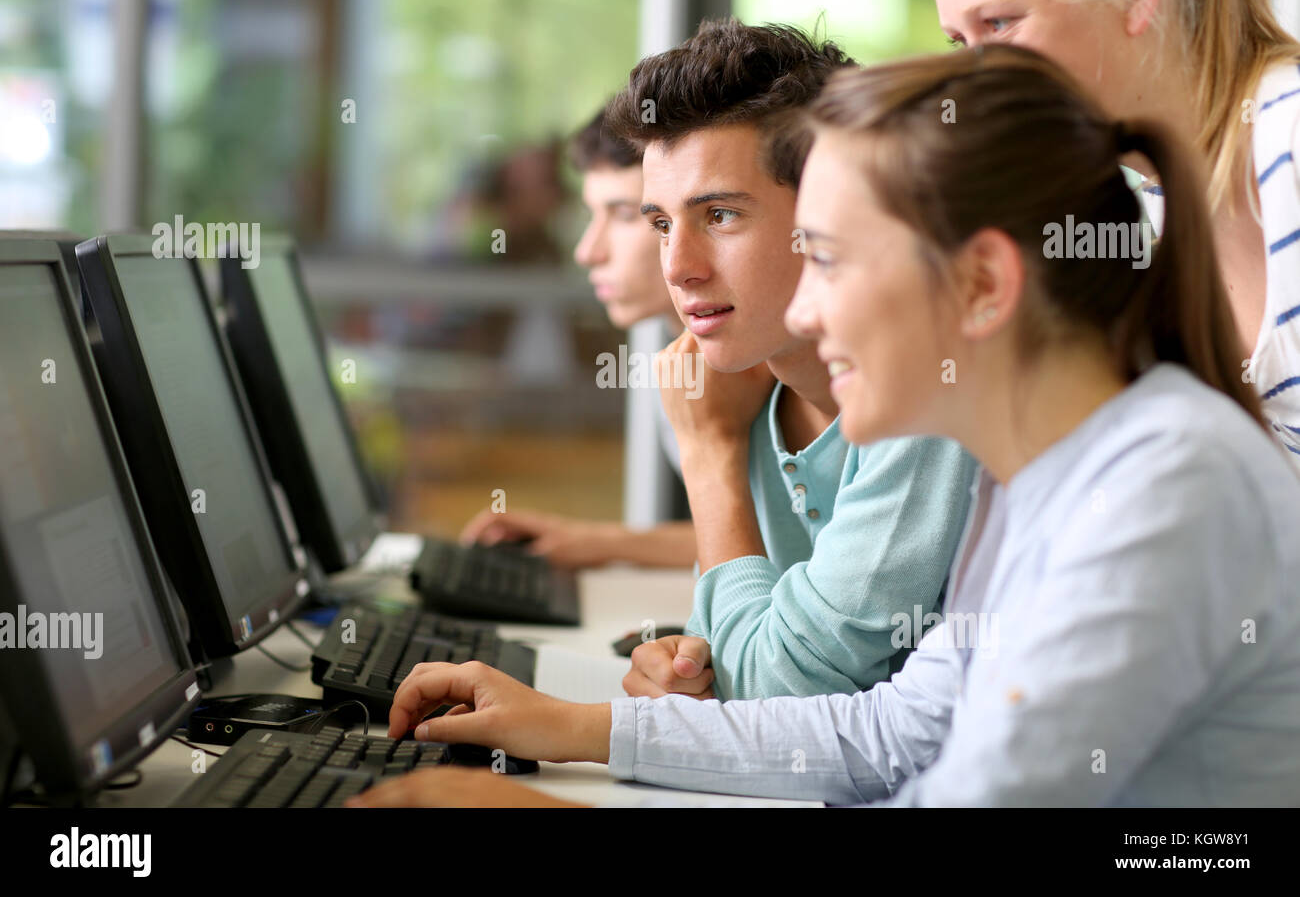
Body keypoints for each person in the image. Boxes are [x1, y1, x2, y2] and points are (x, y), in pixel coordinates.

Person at [349, 46, 1300, 808]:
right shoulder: (1039, 476)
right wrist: (572, 729)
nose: (805, 313)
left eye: (834, 262)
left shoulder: (1163, 489)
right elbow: (895, 737)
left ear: (982, 285)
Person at [605, 18, 976, 701]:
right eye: (660, 224)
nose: (678, 268)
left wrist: (709, 455)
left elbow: (780, 688)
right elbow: (728, 659)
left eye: (720, 215)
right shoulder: (738, 393)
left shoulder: (926, 391)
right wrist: (685, 663)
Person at [927, 0, 1300, 470]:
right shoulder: (1160, 203)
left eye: (999, 24)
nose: (974, 81)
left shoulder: (1289, 142)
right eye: (959, 42)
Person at [458, 103, 698, 569]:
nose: (587, 252)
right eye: (591, 215)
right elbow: (745, 541)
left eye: (623, 214)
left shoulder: (759, 371)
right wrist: (592, 540)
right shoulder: (672, 359)